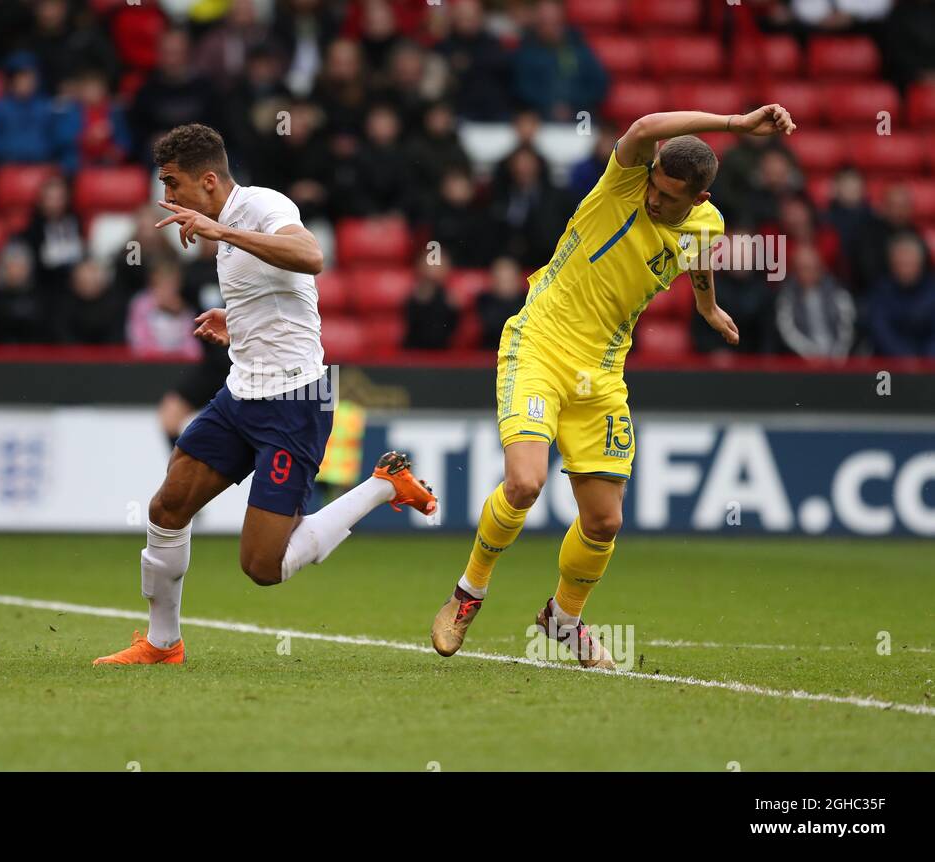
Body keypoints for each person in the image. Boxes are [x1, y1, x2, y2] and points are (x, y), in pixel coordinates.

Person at [430, 105, 796, 668]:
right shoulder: (623, 184)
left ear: (697, 199)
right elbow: (646, 128)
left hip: (601, 373)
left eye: (670, 197)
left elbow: (697, 260)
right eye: (655, 186)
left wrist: (707, 304)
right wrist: (736, 124)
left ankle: (563, 618)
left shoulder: (707, 223)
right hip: (540, 346)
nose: (655, 200)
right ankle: (468, 593)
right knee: (524, 483)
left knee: (605, 520)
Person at [94, 124, 437, 666]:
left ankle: (383, 486)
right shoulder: (220, 232)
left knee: (263, 567)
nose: (167, 198)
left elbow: (310, 256)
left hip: (296, 400)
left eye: (172, 183)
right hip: (240, 392)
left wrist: (221, 232)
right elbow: (283, 296)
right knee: (167, 506)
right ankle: (163, 644)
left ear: (208, 181)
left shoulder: (260, 206)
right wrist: (238, 321)